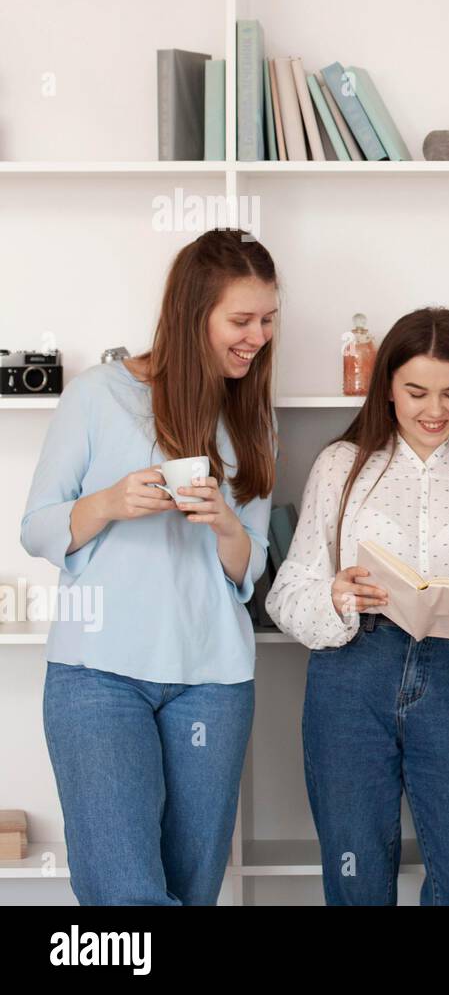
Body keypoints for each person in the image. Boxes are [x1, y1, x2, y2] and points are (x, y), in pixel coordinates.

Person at [21, 228, 277, 905]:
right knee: (124, 898)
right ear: (196, 312)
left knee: (192, 894)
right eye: (242, 320)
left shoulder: (250, 415)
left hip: (213, 681)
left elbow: (248, 567)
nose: (258, 336)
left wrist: (226, 522)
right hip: (97, 676)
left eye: (267, 320)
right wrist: (107, 502)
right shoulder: (97, 394)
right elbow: (37, 526)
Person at [267, 306, 449, 905]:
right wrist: (337, 595)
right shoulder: (341, 463)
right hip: (350, 677)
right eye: (416, 392)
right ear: (387, 386)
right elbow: (287, 594)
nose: (434, 410)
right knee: (356, 876)